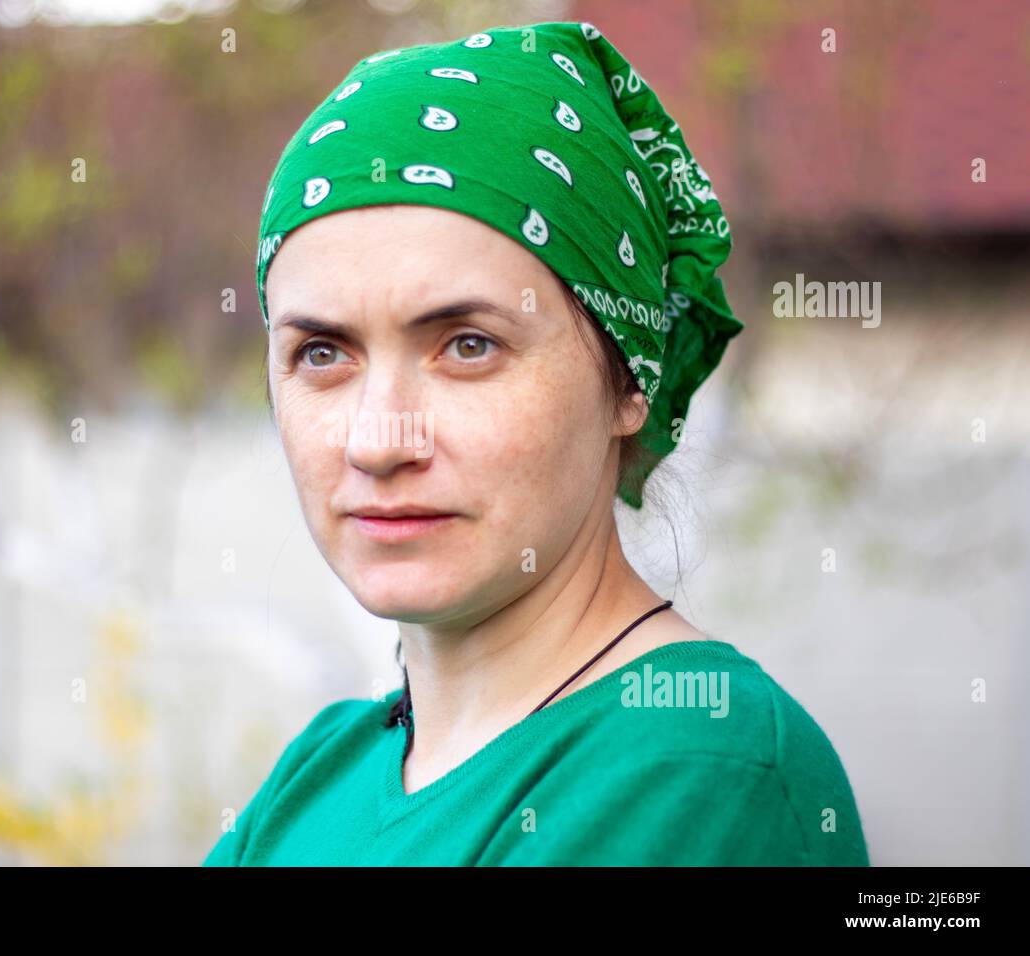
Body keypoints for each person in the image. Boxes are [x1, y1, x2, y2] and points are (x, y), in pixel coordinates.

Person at [203, 20, 869, 866]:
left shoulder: (698, 764)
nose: (378, 440)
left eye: (468, 345)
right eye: (323, 354)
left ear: (630, 381)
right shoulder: (320, 774)